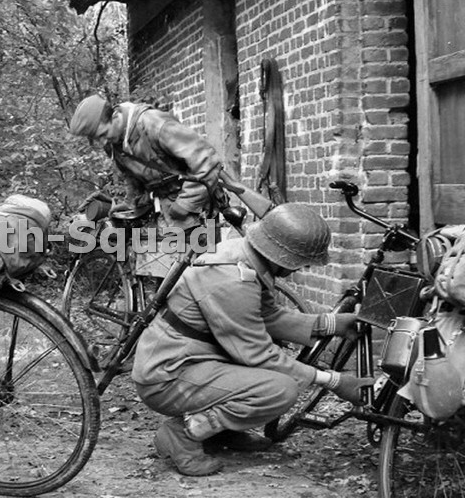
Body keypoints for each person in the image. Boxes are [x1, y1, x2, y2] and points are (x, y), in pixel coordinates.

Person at [131, 203, 373, 476]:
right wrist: (335, 381)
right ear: (284, 256)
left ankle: (219, 431)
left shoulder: (245, 255)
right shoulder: (232, 279)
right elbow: (257, 354)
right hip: (168, 376)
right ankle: (184, 433)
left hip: (190, 361)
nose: (302, 268)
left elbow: (268, 316)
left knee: (269, 379)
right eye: (301, 261)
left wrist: (330, 324)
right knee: (278, 389)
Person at [69, 94, 222, 234]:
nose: (103, 142)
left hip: (195, 204)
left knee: (198, 254)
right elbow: (131, 176)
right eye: (97, 138)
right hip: (164, 209)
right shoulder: (112, 142)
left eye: (103, 134)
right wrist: (131, 202)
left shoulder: (153, 124)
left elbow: (206, 161)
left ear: (115, 116)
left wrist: (186, 203)